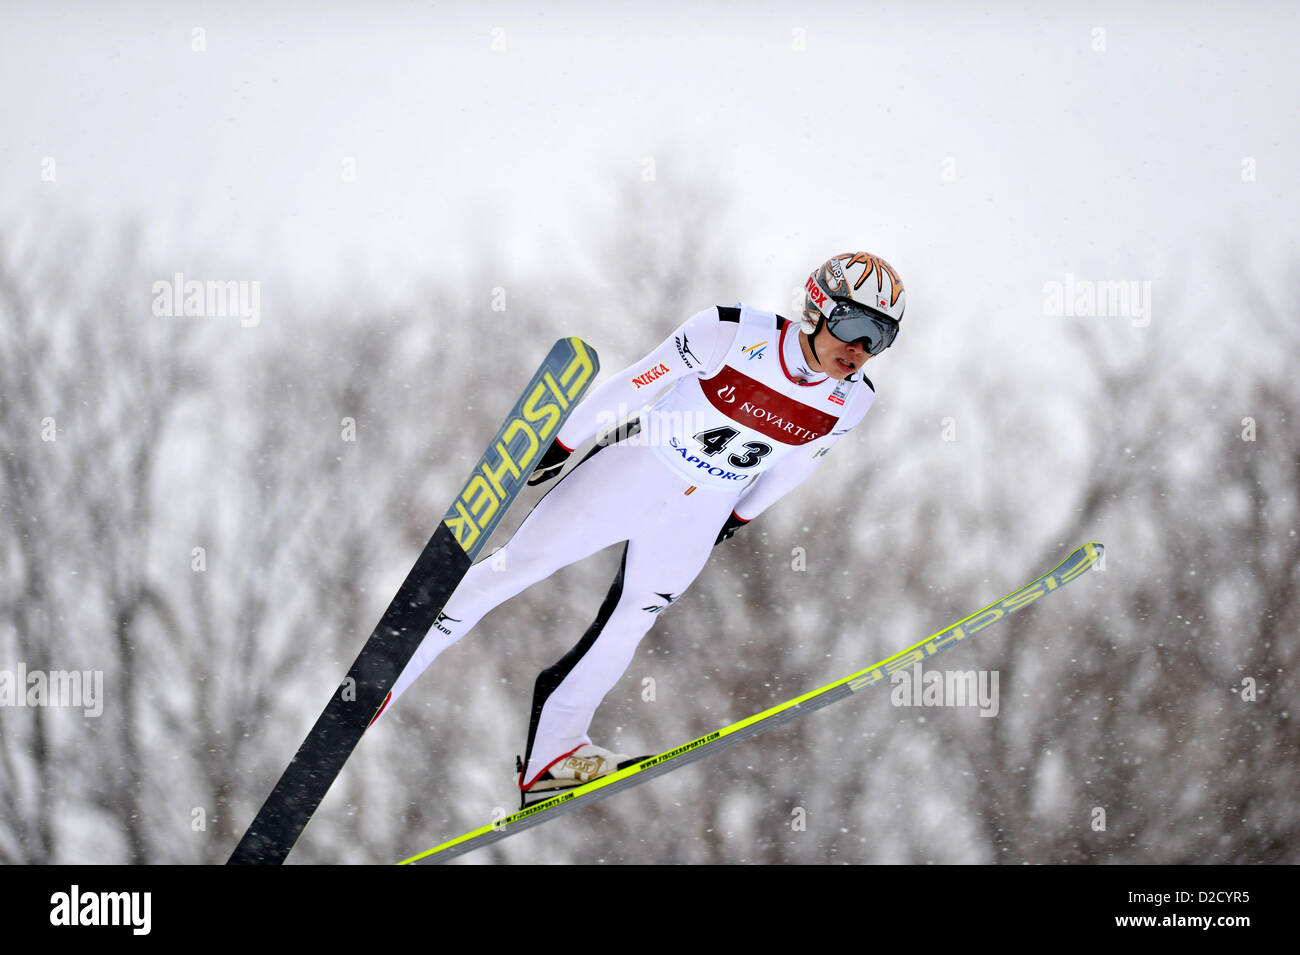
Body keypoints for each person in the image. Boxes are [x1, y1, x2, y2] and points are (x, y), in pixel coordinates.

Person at [376, 251, 906, 804]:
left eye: (880, 338)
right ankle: (388, 676)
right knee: (519, 567)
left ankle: (554, 756)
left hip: (700, 511)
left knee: (635, 617)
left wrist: (740, 516)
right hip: (636, 470)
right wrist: (563, 441)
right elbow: (634, 384)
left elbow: (795, 467)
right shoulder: (728, 332)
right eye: (853, 325)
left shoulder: (854, 401)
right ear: (818, 307)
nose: (860, 350)